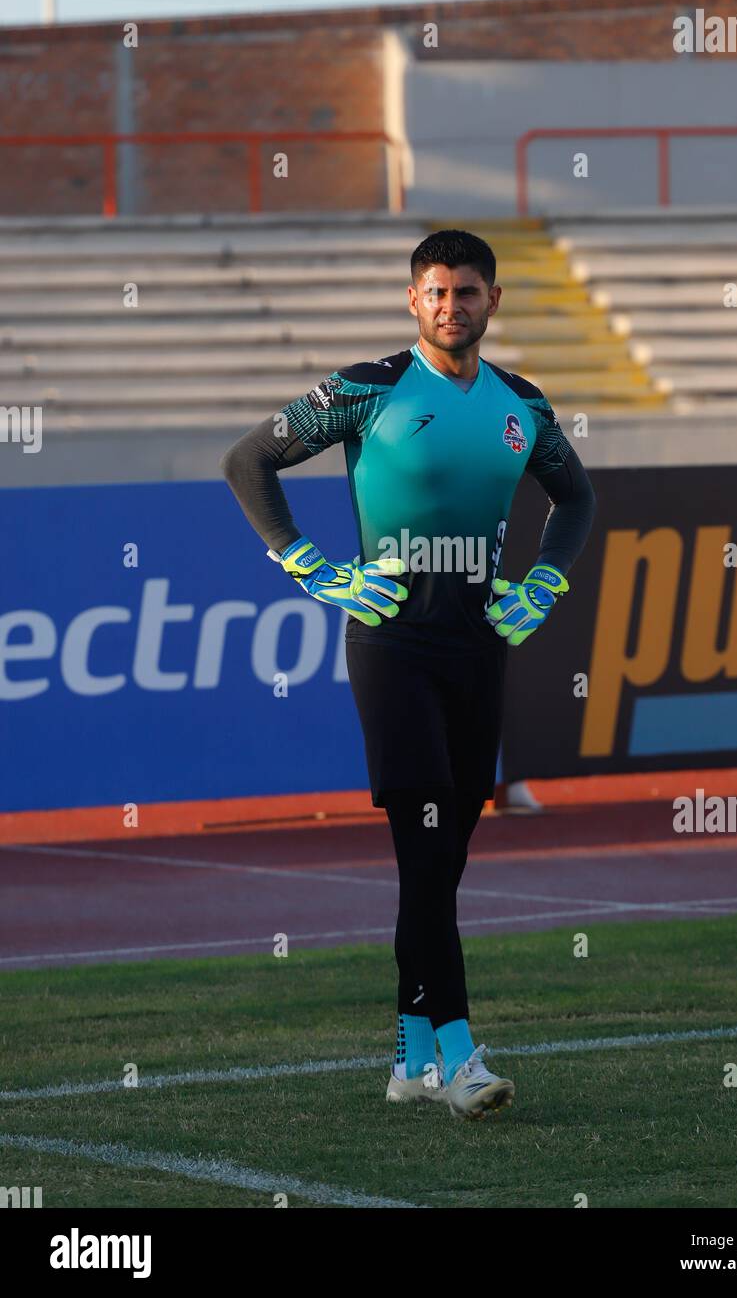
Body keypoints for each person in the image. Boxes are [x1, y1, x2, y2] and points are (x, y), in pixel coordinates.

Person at [221, 229, 595, 1120]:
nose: (449, 307)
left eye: (466, 293)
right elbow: (249, 462)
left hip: (478, 646)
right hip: (391, 645)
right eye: (433, 292)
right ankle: (460, 1058)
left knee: (440, 862)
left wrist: (546, 577)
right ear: (411, 299)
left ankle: (407, 1051)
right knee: (428, 852)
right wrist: (309, 567)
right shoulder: (367, 389)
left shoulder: (523, 406)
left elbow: (575, 498)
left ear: (491, 303)